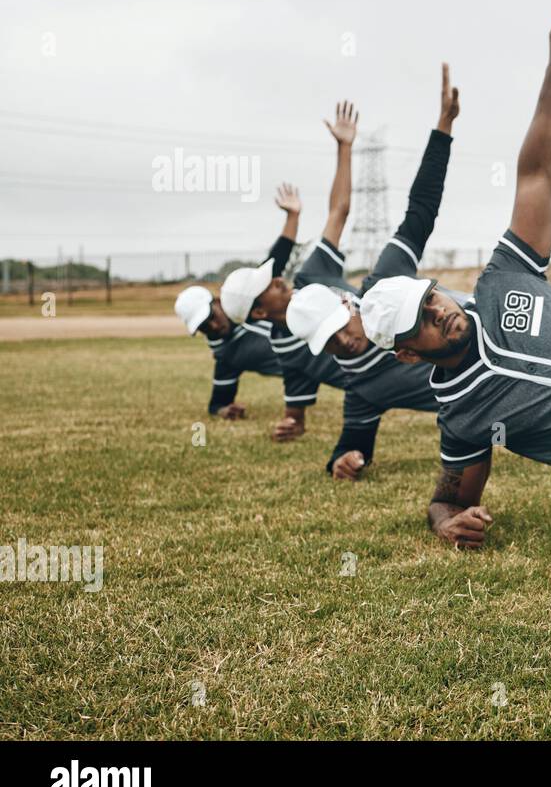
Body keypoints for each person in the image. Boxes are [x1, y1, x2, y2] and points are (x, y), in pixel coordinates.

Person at [359, 0, 551, 549]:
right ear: (406, 353)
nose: (441, 312)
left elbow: (537, 176)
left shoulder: (500, 283)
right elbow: (449, 498)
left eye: (431, 299)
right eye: (423, 321)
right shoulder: (462, 415)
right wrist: (446, 520)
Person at [285, 65, 467, 479]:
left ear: (348, 301)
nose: (343, 342)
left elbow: (419, 212)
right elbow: (354, 441)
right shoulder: (361, 385)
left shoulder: (383, 286)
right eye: (328, 343)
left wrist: (443, 128)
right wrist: (344, 461)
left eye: (339, 327)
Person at [219, 103, 357, 443]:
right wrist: (291, 425)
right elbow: (294, 413)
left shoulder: (313, 273)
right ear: (261, 312)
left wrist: (344, 147)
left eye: (272, 276)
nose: (279, 278)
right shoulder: (289, 351)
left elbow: (338, 211)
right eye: (268, 285)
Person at [173, 185, 300, 420]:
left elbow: (277, 257)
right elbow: (217, 402)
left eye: (210, 317)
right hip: (313, 367)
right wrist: (224, 410)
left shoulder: (251, 304)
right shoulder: (226, 355)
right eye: (203, 327)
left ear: (218, 302)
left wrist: (293, 215)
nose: (212, 327)